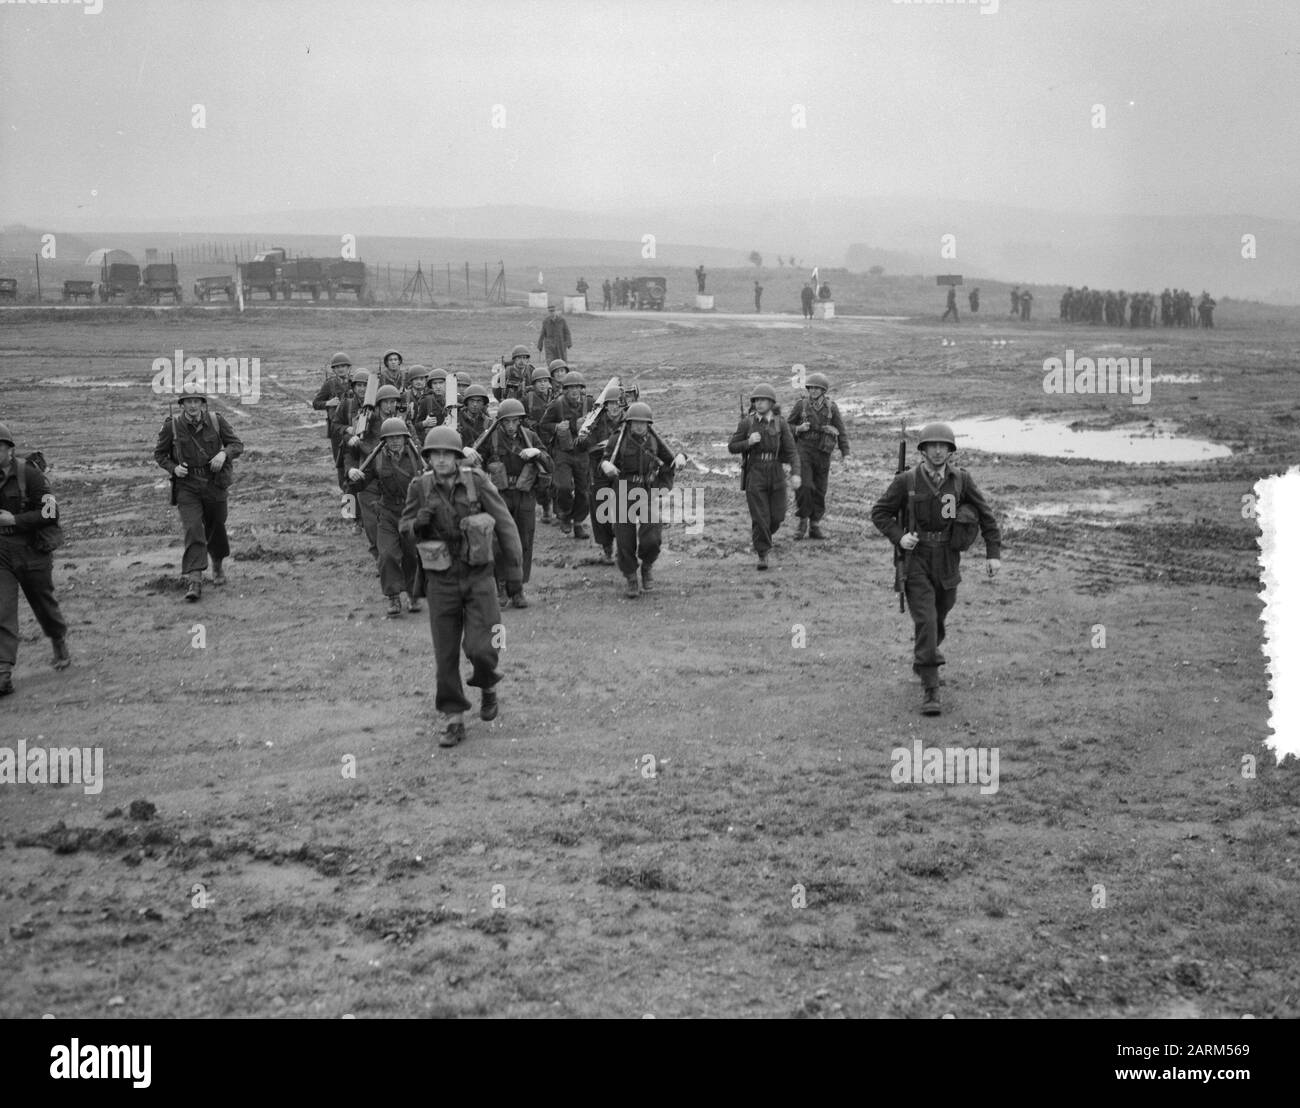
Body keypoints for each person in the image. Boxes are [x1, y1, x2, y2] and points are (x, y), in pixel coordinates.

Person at [400, 426, 523, 747]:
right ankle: (453, 717)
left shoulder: (477, 482)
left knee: (483, 648)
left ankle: (487, 683)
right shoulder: (419, 487)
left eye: (447, 454)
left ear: (457, 457)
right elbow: (405, 528)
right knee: (445, 654)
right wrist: (418, 524)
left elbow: (505, 524)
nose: (441, 460)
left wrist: (514, 573)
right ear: (427, 458)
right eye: (435, 454)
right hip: (440, 580)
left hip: (479, 576)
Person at [869, 422, 1002, 716]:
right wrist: (899, 537)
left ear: (951, 451)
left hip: (948, 558)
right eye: (933, 446)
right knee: (927, 620)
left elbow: (985, 515)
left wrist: (993, 554)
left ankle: (923, 658)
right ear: (923, 450)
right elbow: (880, 513)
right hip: (915, 560)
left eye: (944, 446)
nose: (939, 451)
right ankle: (931, 687)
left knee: (940, 615)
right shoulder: (907, 481)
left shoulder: (961, 481)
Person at [154, 386, 245, 602]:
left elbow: (237, 445)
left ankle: (218, 564)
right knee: (193, 528)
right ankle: (195, 580)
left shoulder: (216, 421)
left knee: (216, 526)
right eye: (188, 402)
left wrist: (224, 454)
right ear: (182, 405)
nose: (193, 406)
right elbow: (160, 454)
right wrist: (173, 468)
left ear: (203, 404)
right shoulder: (172, 427)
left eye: (197, 401)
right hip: (187, 486)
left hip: (214, 483)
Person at [0, 422, 70, 696]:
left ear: (10, 450)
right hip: (1, 553)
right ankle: (3, 670)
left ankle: (57, 638)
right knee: (2, 609)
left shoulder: (31, 475)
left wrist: (15, 520)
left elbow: (51, 513)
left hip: (32, 551)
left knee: (43, 603)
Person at [599, 402, 682, 598]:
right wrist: (605, 466)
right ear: (628, 423)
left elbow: (670, 461)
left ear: (648, 424)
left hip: (646, 490)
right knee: (624, 538)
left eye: (643, 423)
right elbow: (602, 463)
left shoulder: (654, 441)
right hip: (623, 490)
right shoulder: (616, 440)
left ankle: (647, 566)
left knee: (653, 534)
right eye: (635, 422)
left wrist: (681, 458)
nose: (638, 426)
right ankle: (630, 577)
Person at [478, 398, 552, 607]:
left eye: (515, 421)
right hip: (499, 496)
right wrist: (469, 454)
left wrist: (538, 454)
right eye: (507, 422)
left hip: (524, 495)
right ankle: (501, 586)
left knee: (523, 542)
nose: (511, 426)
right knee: (499, 542)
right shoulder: (490, 439)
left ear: (520, 421)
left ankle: (517, 588)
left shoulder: (530, 437)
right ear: (500, 422)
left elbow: (549, 464)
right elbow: (474, 462)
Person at [346, 418, 422, 618]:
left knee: (412, 554)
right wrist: (353, 475)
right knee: (387, 554)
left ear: (406, 438)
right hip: (387, 512)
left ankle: (413, 594)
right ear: (384, 441)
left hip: (411, 511)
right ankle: (393, 596)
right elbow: (361, 485)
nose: (395, 441)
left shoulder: (417, 457)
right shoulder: (377, 459)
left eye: (399, 437)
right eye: (390, 438)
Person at [728, 384, 800, 570]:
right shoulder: (747, 423)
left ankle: (762, 535)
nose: (759, 404)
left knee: (777, 516)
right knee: (760, 517)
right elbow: (732, 447)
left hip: (775, 472)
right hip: (755, 472)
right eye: (756, 401)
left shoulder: (780, 423)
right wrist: (748, 442)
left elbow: (792, 452)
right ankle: (763, 554)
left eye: (763, 400)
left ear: (771, 402)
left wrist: (795, 473)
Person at [344, 384, 409, 564]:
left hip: (393, 482)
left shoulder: (401, 423)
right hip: (368, 478)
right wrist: (348, 435)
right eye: (386, 402)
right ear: (378, 404)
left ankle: (393, 561)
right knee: (370, 524)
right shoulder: (364, 423)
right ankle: (350, 518)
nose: (390, 406)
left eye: (393, 402)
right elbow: (347, 450)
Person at [787, 372, 849, 539]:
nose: (813, 391)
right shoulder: (801, 405)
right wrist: (798, 429)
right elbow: (787, 426)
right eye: (811, 388)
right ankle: (802, 521)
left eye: (817, 388)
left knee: (820, 489)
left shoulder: (832, 408)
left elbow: (841, 431)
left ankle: (815, 524)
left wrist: (846, 454)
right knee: (804, 486)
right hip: (803, 449)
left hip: (823, 452)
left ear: (823, 390)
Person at [540, 370, 594, 539]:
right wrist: (556, 427)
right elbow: (544, 424)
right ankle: (565, 514)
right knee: (562, 487)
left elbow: (600, 422)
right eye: (570, 388)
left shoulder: (590, 403)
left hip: (582, 453)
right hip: (563, 452)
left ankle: (578, 522)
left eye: (577, 387)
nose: (574, 391)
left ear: (582, 389)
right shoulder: (557, 405)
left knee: (584, 492)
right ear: (564, 390)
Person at [582, 387, 625, 564]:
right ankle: (607, 548)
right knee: (601, 510)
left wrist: (613, 444)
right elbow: (585, 445)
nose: (614, 407)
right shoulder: (595, 422)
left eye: (618, 404)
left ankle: (624, 547)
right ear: (605, 406)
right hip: (599, 470)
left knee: (624, 511)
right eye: (611, 404)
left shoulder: (630, 421)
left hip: (622, 470)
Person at [313, 352, 353, 489]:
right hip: (337, 431)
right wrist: (328, 403)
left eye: (343, 366)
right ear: (334, 369)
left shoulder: (355, 383)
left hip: (353, 427)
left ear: (348, 367)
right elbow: (316, 403)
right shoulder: (329, 385)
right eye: (337, 367)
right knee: (340, 461)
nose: (341, 369)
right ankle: (345, 491)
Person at [524, 364, 557, 524]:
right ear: (533, 384)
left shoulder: (556, 397)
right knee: (541, 478)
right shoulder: (527, 399)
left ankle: (559, 509)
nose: (543, 384)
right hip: (536, 442)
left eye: (545, 381)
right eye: (539, 381)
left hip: (554, 441)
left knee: (557, 476)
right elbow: (520, 418)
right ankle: (545, 506)